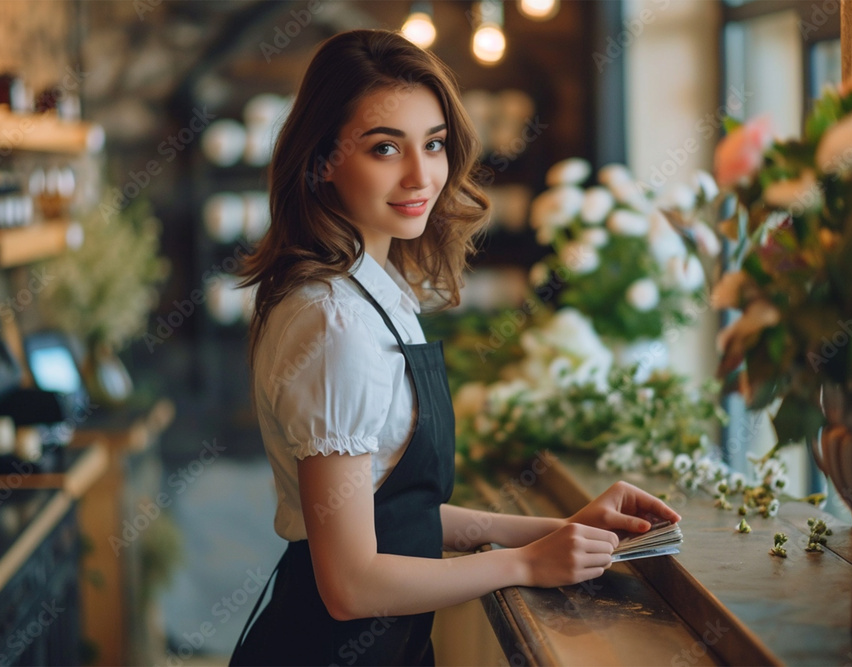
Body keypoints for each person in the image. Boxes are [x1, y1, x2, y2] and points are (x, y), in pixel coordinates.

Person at [229, 29, 681, 667]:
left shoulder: (370, 293)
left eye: (434, 144)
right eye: (385, 147)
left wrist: (562, 532)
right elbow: (350, 585)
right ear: (321, 160)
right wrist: (522, 564)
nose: (421, 175)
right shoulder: (336, 323)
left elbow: (398, 515)